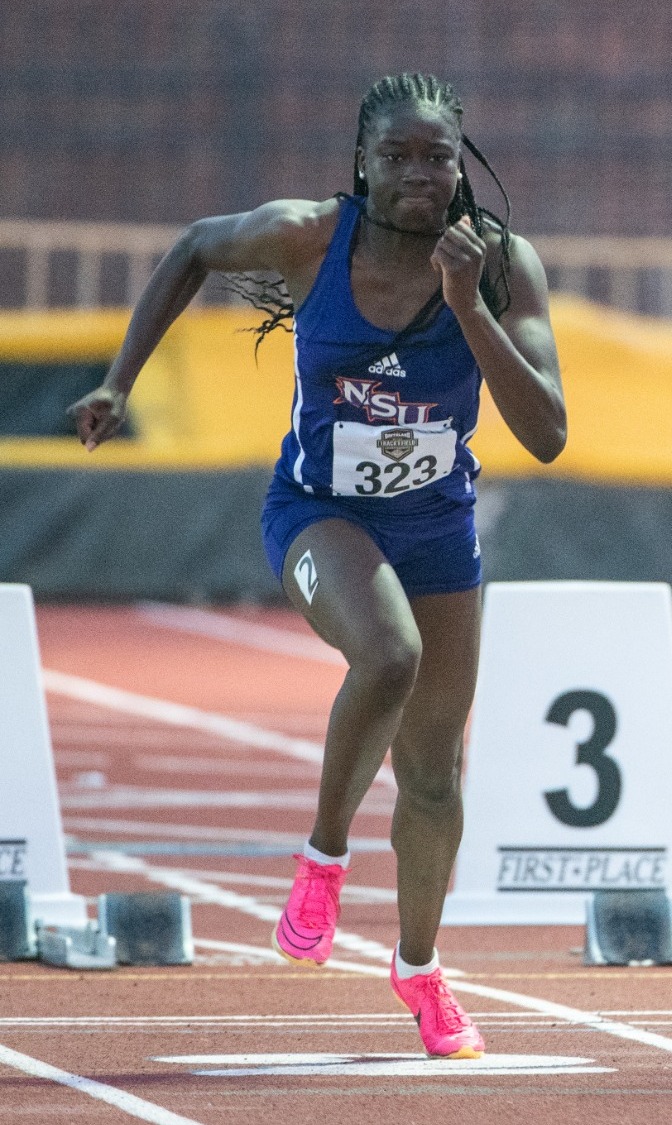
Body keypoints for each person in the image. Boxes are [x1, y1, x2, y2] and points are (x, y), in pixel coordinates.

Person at [68, 73, 566, 1059]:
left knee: (434, 775)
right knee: (388, 656)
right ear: (361, 165)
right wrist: (119, 381)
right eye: (400, 156)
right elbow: (193, 248)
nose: (423, 174)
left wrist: (467, 308)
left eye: (440, 156)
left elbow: (547, 433)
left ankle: (420, 971)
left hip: (437, 526)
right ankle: (323, 857)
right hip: (317, 512)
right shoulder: (305, 236)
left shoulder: (500, 264)